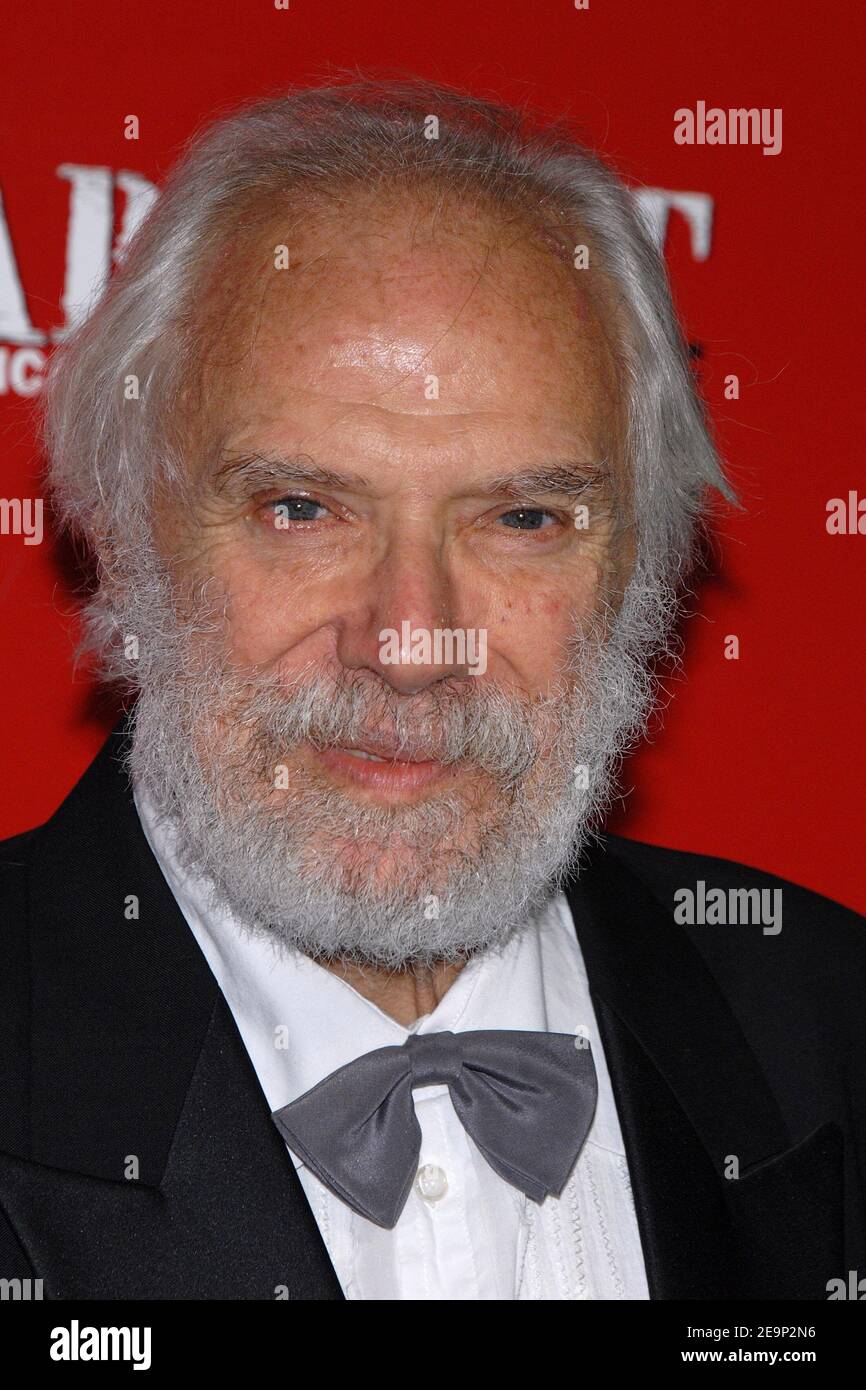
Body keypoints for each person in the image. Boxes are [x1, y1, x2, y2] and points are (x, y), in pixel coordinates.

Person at [1, 78, 862, 1301]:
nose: (410, 643)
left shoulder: (828, 1021)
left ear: (640, 569)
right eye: (301, 509)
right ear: (122, 530)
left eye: (521, 517)